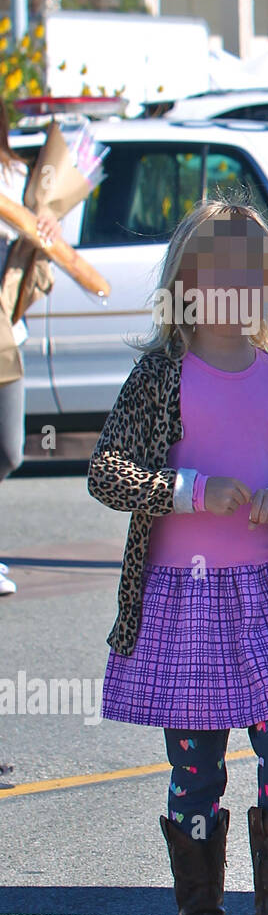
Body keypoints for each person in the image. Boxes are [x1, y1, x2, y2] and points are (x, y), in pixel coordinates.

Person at [87, 200, 268, 915]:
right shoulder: (160, 377)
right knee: (196, 764)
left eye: (250, 272)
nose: (234, 286)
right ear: (185, 287)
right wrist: (195, 489)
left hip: (267, 591)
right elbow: (108, 472)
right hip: (182, 596)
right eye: (215, 272)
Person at [0, 105, 64, 596]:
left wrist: (46, 231)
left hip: (5, 333)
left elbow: (44, 250)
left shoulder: (19, 175)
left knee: (8, 450)